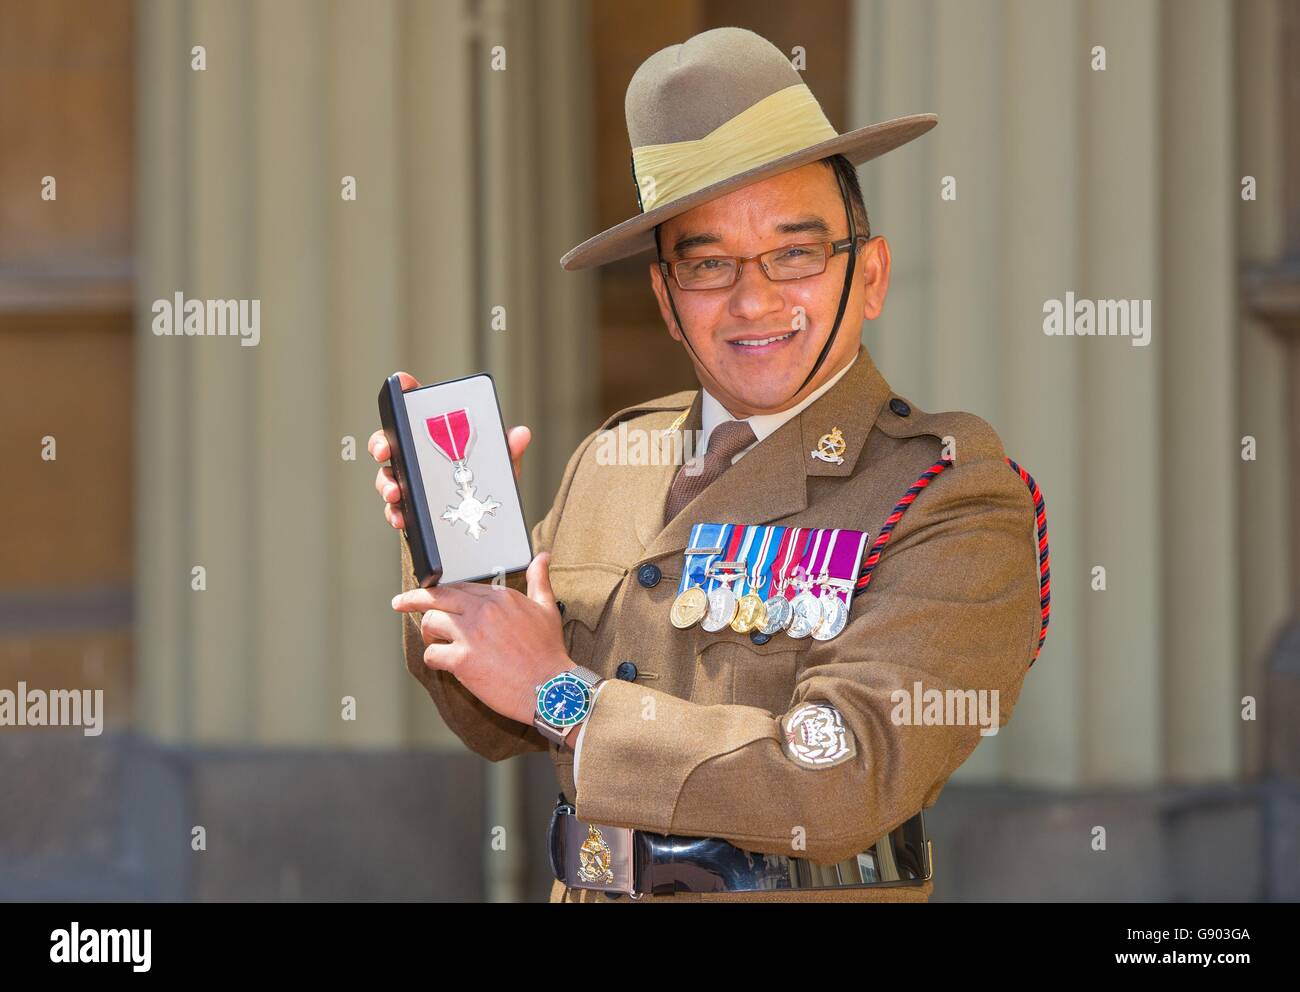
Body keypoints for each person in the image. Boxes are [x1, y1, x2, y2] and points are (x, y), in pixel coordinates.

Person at [368, 26, 1050, 903]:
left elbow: (843, 774)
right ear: (665, 300)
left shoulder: (950, 493)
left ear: (870, 275)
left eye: (797, 253)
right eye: (708, 263)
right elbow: (493, 721)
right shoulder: (612, 459)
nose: (754, 297)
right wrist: (459, 558)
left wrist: (559, 693)